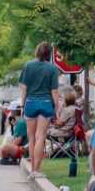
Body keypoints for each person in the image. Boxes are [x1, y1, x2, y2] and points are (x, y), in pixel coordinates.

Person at [19, 42, 62, 173]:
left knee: (31, 137)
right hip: (46, 103)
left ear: (37, 51)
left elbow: (24, 88)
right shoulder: (52, 69)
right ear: (49, 54)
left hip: (30, 102)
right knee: (41, 136)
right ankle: (37, 170)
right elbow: (55, 92)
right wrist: (56, 110)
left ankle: (32, 168)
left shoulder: (28, 66)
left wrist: (22, 105)